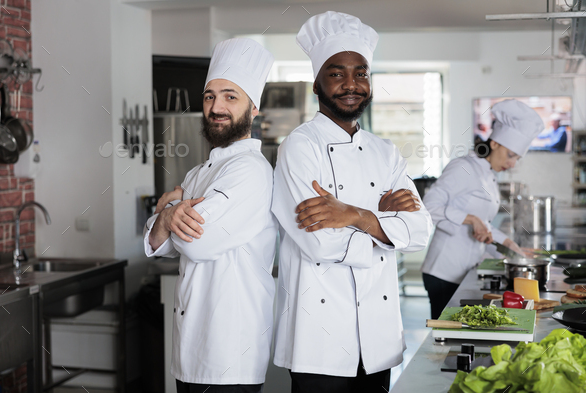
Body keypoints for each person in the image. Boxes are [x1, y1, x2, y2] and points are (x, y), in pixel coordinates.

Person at [271, 11, 433, 393]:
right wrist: (385, 226)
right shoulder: (298, 146)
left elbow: (422, 229)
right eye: (336, 72)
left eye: (360, 72)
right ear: (316, 83)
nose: (351, 84)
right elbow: (320, 243)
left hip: (378, 337)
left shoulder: (385, 151)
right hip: (319, 339)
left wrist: (354, 215)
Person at [143, 37, 276, 393]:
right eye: (209, 96)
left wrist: (169, 210)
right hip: (189, 350)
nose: (216, 107)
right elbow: (155, 241)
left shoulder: (250, 171)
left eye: (231, 96)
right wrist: (168, 219)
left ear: (253, 108)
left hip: (229, 354)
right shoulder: (199, 172)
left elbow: (195, 243)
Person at [421, 99, 545, 320]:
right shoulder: (463, 168)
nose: (513, 164)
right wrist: (470, 219)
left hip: (464, 269)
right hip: (443, 271)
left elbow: (483, 223)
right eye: (510, 155)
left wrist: (508, 245)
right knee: (445, 336)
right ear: (495, 143)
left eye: (517, 158)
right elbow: (428, 206)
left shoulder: (489, 174)